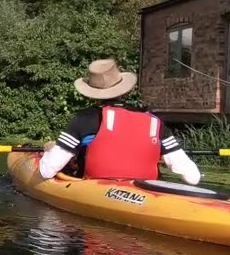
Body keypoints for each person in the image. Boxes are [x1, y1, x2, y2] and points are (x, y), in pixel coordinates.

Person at [38, 58, 201, 185]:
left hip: (95, 191)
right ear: (124, 91)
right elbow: (193, 177)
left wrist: (48, 151)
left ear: (91, 93)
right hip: (147, 192)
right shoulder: (154, 122)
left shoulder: (83, 119)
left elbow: (46, 170)